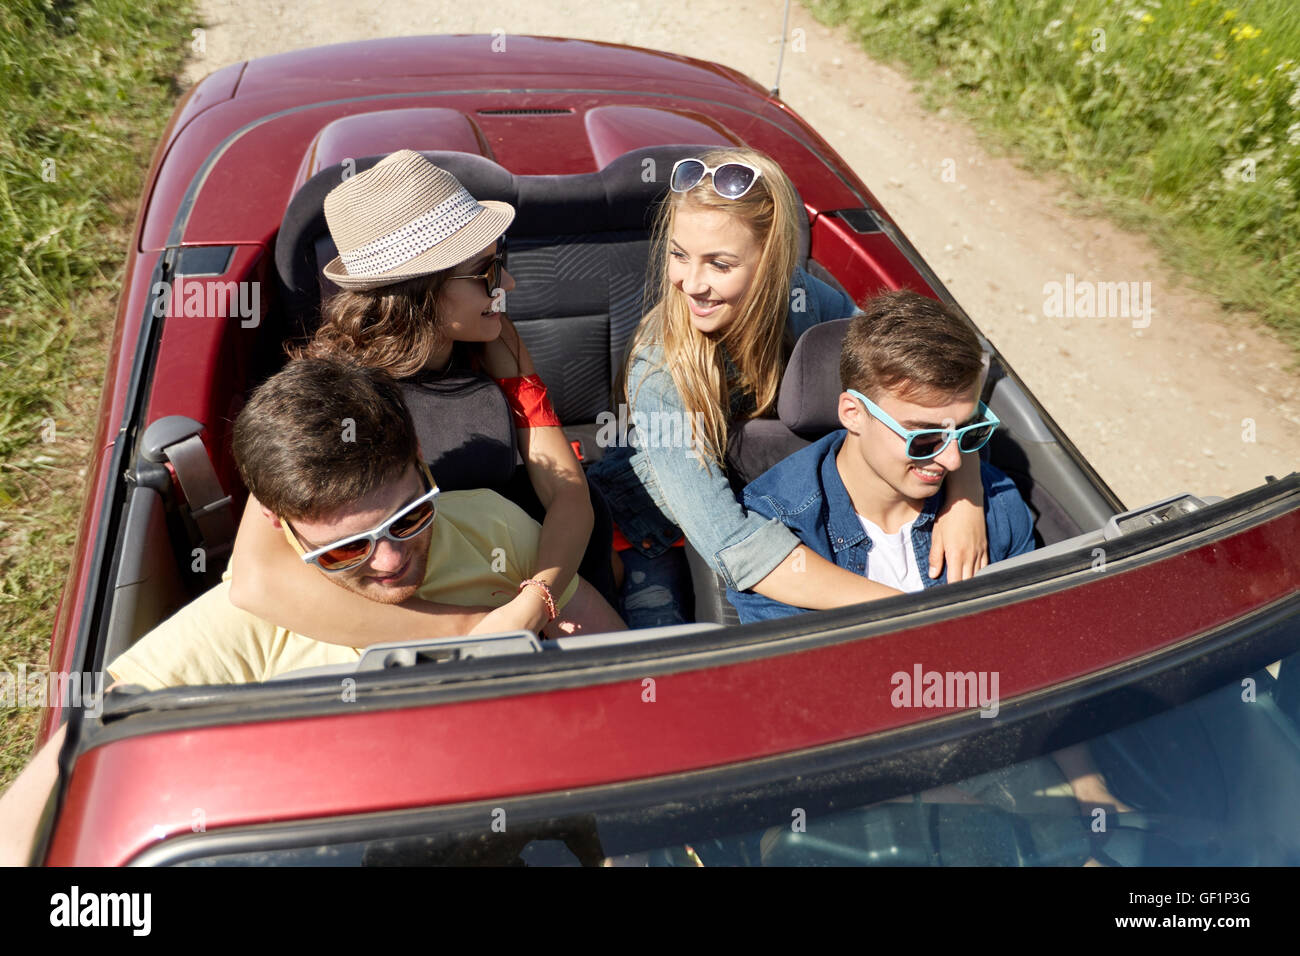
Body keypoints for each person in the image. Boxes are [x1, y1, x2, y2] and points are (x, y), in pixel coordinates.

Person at [586, 147, 992, 627]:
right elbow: (730, 543)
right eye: (679, 255)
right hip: (657, 527)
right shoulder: (661, 366)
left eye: (719, 264)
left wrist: (966, 497)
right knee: (667, 663)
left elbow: (923, 383)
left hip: (777, 503)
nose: (690, 283)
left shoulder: (807, 300)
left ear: (772, 262)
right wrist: (907, 612)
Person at [228, 150, 609, 646]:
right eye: (487, 271)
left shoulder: (497, 341)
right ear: (419, 291)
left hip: (531, 575)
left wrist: (536, 601)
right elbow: (257, 582)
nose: (507, 284)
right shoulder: (331, 397)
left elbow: (568, 491)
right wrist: (472, 629)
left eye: (502, 261)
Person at [107, 358, 624, 690]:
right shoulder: (250, 622)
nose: (391, 560)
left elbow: (628, 675)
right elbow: (88, 748)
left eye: (411, 516)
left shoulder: (491, 527)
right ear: (275, 520)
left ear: (421, 460)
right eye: (343, 550)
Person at [727, 290, 1036, 622]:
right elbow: (798, 671)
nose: (953, 461)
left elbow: (1029, 634)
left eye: (967, 431)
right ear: (853, 413)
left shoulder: (995, 506)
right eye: (924, 438)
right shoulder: (779, 531)